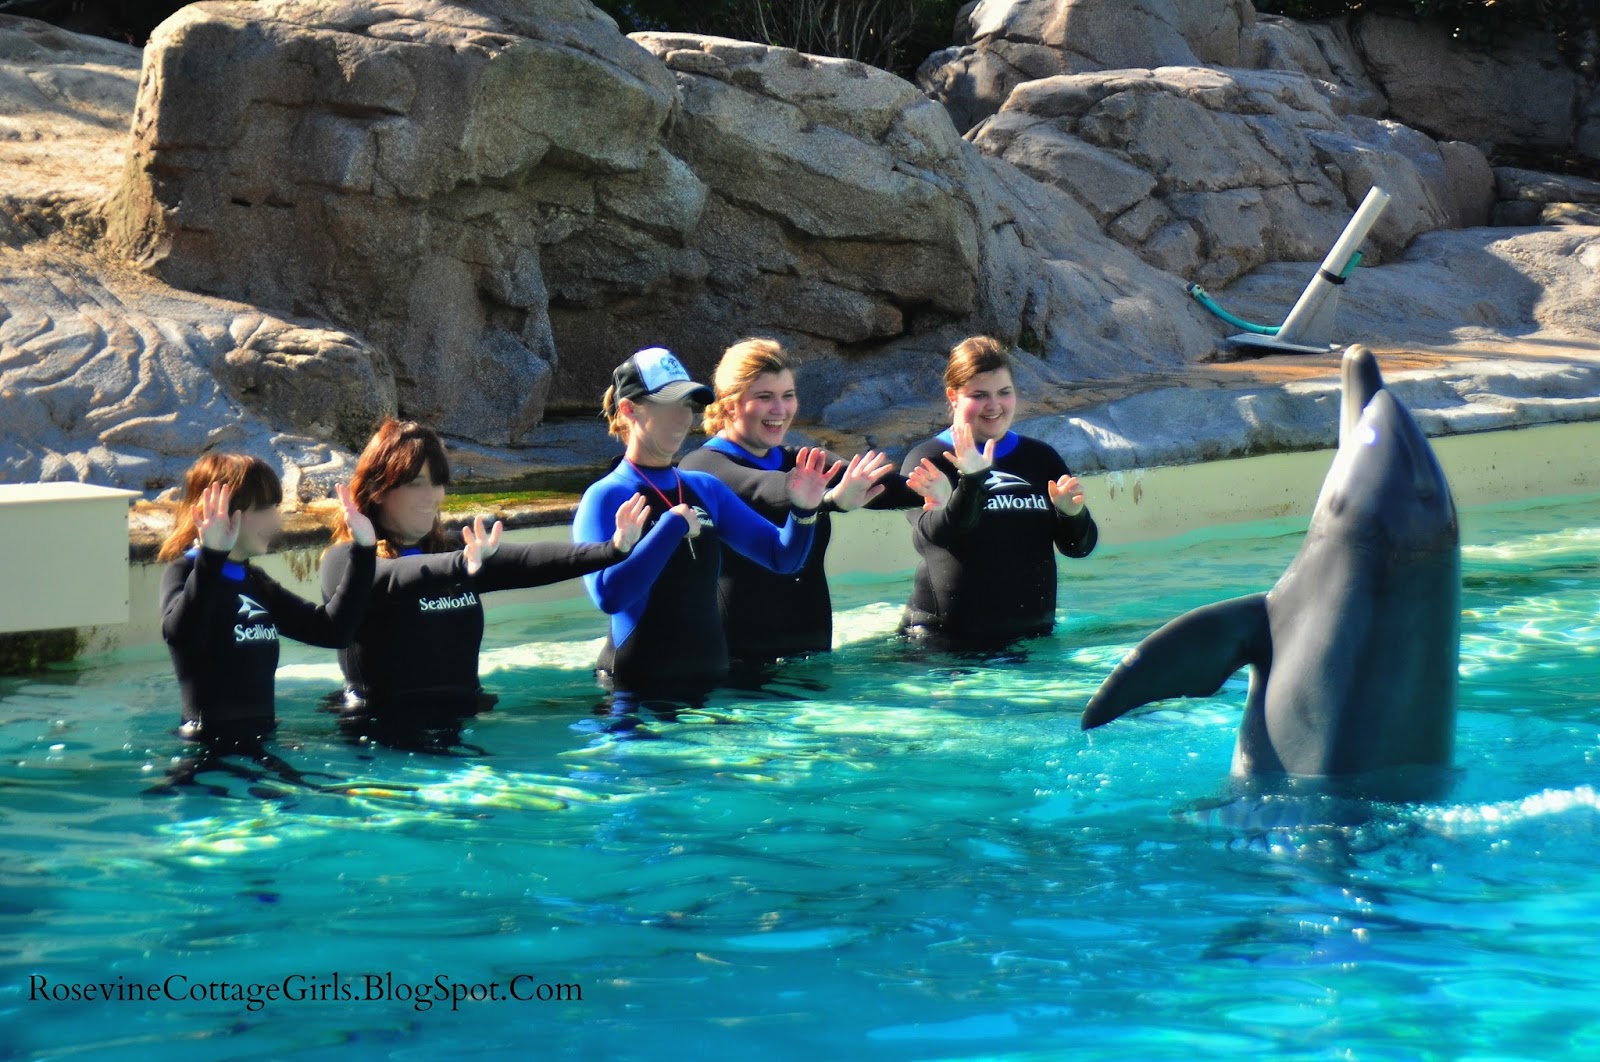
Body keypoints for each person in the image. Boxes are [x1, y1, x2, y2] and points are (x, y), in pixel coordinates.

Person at [321, 419, 648, 741]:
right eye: (415, 484)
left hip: (463, 727)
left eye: (437, 482)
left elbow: (525, 561)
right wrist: (461, 564)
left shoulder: (453, 552)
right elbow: (393, 577)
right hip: (381, 739)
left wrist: (613, 549)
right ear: (379, 491)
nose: (432, 496)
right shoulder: (347, 561)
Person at [573, 346, 832, 700]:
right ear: (629, 409)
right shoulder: (604, 497)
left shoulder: (704, 489)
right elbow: (609, 596)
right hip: (634, 698)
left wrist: (803, 511)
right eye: (666, 406)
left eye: (686, 405)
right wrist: (670, 528)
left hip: (712, 689)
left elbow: (782, 558)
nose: (681, 418)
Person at [680, 337, 925, 663]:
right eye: (764, 397)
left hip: (814, 665)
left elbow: (896, 490)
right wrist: (831, 500)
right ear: (729, 405)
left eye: (788, 396)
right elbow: (763, 489)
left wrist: (948, 482)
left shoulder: (803, 462)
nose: (780, 410)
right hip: (737, 672)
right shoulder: (702, 468)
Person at [158, 453, 376, 742]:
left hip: (260, 740)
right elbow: (182, 635)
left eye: (274, 507)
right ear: (219, 511)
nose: (276, 521)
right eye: (263, 509)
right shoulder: (185, 571)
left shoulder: (254, 581)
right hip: (207, 750)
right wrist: (211, 557)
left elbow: (333, 631)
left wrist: (364, 551)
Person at [899, 335, 1098, 648]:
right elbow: (936, 536)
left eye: (1004, 393)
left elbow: (1079, 547)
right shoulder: (929, 459)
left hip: (1031, 645)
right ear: (954, 397)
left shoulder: (1040, 458)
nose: (994, 406)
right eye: (979, 395)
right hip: (945, 648)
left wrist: (1073, 514)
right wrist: (972, 478)